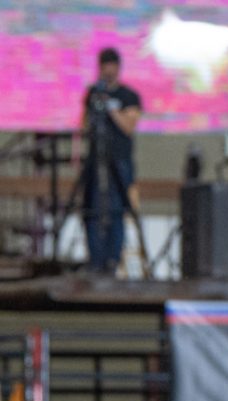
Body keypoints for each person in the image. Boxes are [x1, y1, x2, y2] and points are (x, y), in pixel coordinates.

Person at [77, 47, 142, 275]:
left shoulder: (128, 96)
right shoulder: (92, 93)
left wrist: (111, 108)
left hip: (119, 161)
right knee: (92, 208)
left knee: (117, 211)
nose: (108, 70)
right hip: (96, 161)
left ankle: (113, 260)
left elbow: (129, 126)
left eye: (111, 65)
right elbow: (84, 126)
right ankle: (95, 260)